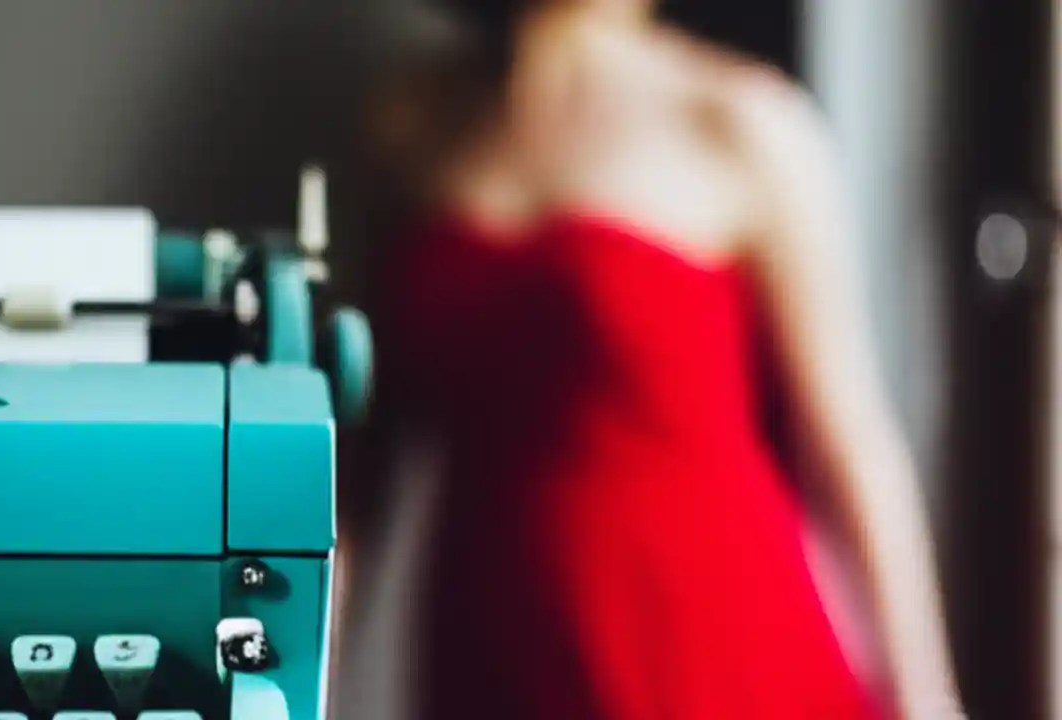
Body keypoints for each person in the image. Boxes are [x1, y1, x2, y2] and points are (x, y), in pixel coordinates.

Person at [339, 0, 965, 717]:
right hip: (487, 644)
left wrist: (926, 696)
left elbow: (849, 438)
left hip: (704, 642)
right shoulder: (412, 129)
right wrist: (297, 674)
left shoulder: (739, 119)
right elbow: (357, 468)